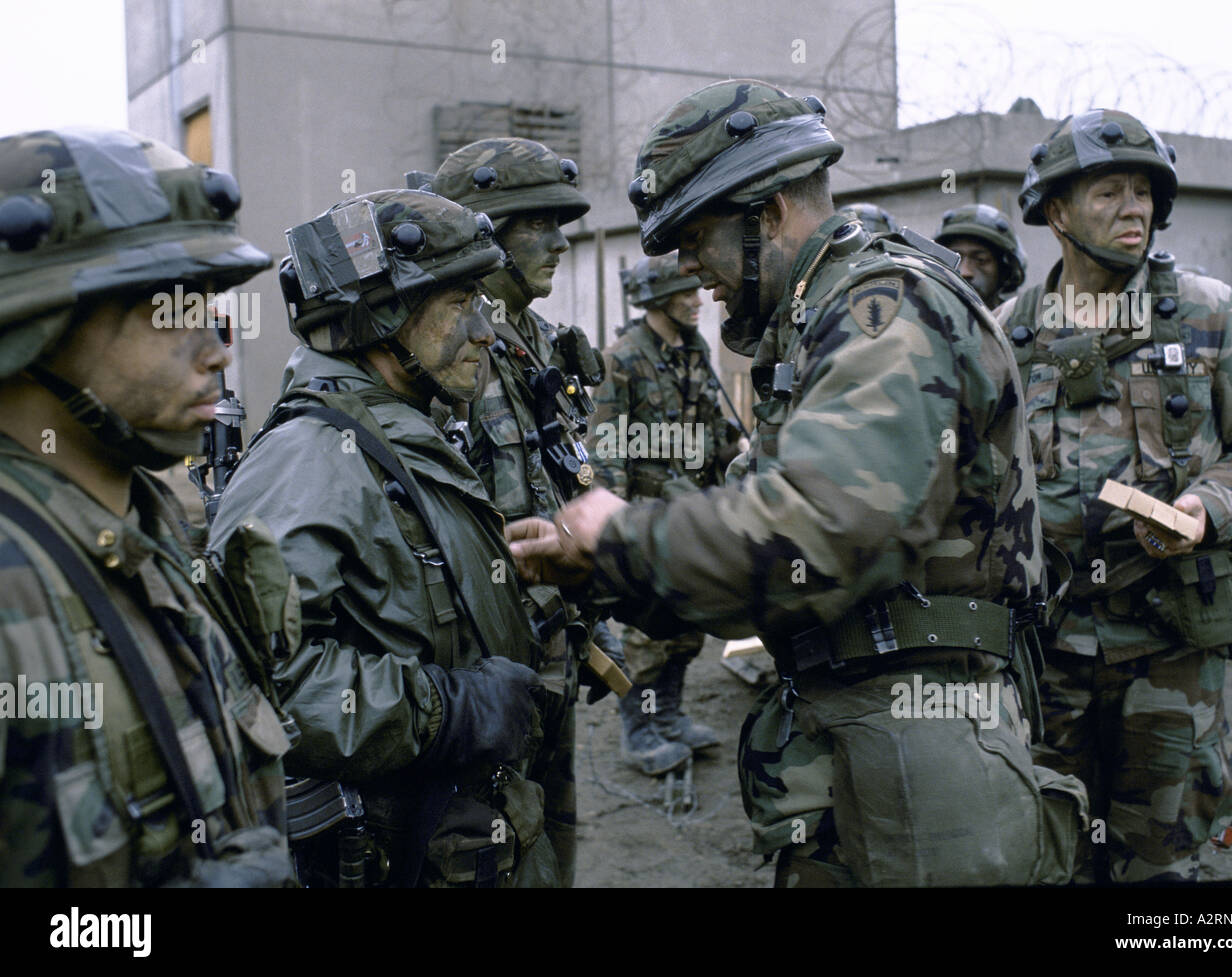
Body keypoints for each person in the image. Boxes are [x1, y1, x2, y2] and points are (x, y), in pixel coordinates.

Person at [509, 79, 1086, 888]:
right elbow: (756, 535)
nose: (688, 269)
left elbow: (824, 526)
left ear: (770, 213)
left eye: (696, 235)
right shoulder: (825, 322)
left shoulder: (888, 308)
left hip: (923, 748)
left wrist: (619, 535)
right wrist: (600, 566)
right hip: (868, 737)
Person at [209, 188, 554, 887]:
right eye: (460, 305)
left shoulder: (396, 429)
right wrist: (450, 707)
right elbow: (263, 683)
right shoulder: (312, 454)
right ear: (381, 318)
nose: (485, 331)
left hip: (464, 840)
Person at [997, 108, 1232, 882]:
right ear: (1056, 212)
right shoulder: (1005, 336)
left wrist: (1209, 504)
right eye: (1110, 192)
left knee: (1157, 857)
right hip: (1046, 653)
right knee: (1045, 843)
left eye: (1144, 193)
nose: (1134, 209)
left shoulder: (1207, 314)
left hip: (1169, 651)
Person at [0, 127, 293, 886]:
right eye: (169, 309)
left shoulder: (156, 522)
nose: (219, 350)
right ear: (36, 329)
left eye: (210, 306)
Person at [416, 138, 623, 885]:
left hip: (553, 647)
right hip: (483, 665)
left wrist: (597, 625)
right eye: (539, 224)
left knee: (554, 836)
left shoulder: (544, 345)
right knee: (488, 849)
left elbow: (565, 482)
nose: (561, 242)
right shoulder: (441, 346)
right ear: (486, 231)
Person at [588, 252, 739, 775]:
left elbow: (714, 427)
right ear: (656, 297)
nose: (698, 301)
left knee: (686, 624)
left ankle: (670, 717)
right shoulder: (623, 357)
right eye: (685, 293)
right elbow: (605, 446)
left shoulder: (694, 351)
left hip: (688, 514)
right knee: (645, 633)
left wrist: (737, 457)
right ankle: (640, 729)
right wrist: (614, 525)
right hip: (644, 518)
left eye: (697, 291)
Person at [934, 202, 1028, 308]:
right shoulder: (921, 318)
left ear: (1004, 271)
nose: (965, 272)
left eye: (980, 260)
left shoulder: (1020, 319)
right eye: (954, 258)